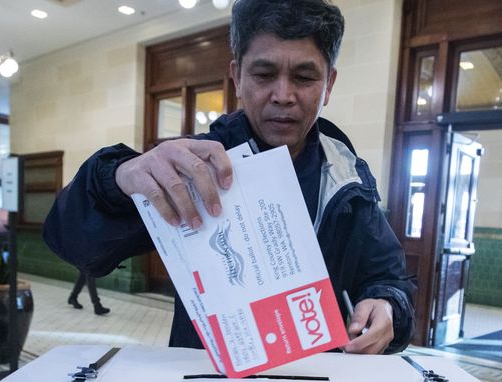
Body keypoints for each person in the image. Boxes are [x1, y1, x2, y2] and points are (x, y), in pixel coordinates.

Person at [43, 0, 415, 355]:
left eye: (304, 77)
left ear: (328, 84)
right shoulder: (192, 166)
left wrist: (387, 305)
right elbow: (73, 244)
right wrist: (117, 178)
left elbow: (389, 278)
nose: (283, 95)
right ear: (237, 76)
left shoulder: (347, 178)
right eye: (264, 74)